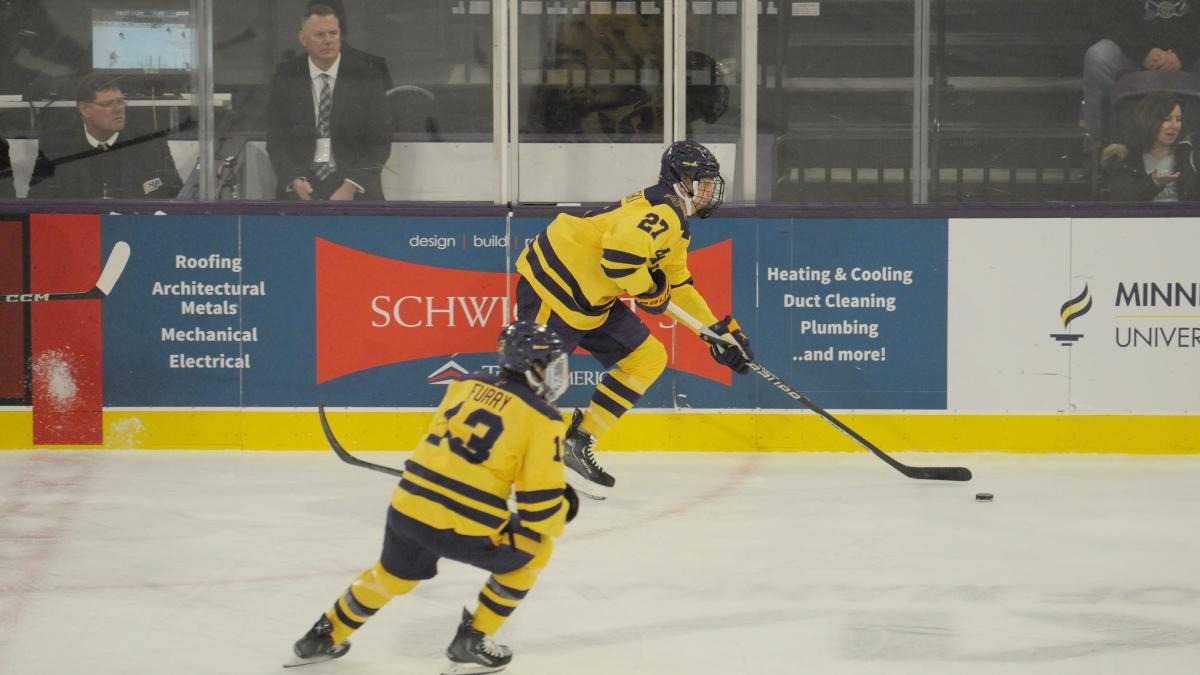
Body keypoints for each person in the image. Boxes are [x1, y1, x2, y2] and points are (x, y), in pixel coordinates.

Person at [287, 320, 579, 674]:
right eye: (550, 363)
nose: (554, 372)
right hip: (463, 524)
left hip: (408, 507)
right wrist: (564, 506)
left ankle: (323, 636)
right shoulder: (544, 418)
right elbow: (539, 511)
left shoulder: (464, 385)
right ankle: (473, 638)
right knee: (534, 551)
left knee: (391, 575)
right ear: (534, 366)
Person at [514, 140, 753, 493]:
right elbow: (619, 258)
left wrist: (714, 332)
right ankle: (493, 462)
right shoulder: (665, 212)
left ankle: (576, 442)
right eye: (703, 182)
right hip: (555, 284)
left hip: (590, 297)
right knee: (532, 380)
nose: (710, 192)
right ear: (683, 181)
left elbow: (677, 285)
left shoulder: (675, 223)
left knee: (647, 358)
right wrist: (648, 289)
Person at [266, 3, 391, 201]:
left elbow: (380, 143)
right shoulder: (286, 76)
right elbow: (276, 141)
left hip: (355, 187)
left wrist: (350, 186)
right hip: (302, 185)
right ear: (303, 39)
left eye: (333, 33)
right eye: (319, 35)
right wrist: (295, 180)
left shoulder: (367, 76)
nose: (328, 41)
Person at [27, 73, 182, 200]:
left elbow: (176, 197)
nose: (118, 109)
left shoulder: (150, 142)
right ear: (85, 109)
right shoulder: (56, 146)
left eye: (120, 102)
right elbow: (38, 203)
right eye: (108, 104)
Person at [1082, 0, 1200, 144]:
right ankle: (1101, 144)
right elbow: (1105, 15)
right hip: (1132, 51)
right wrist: (1143, 51)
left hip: (1192, 54)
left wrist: (1184, 55)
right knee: (1099, 57)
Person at [1101, 91, 1199, 201]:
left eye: (1178, 119)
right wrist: (1153, 183)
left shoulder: (1191, 155)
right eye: (1167, 119)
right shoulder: (1125, 156)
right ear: (1149, 121)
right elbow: (1120, 200)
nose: (1175, 125)